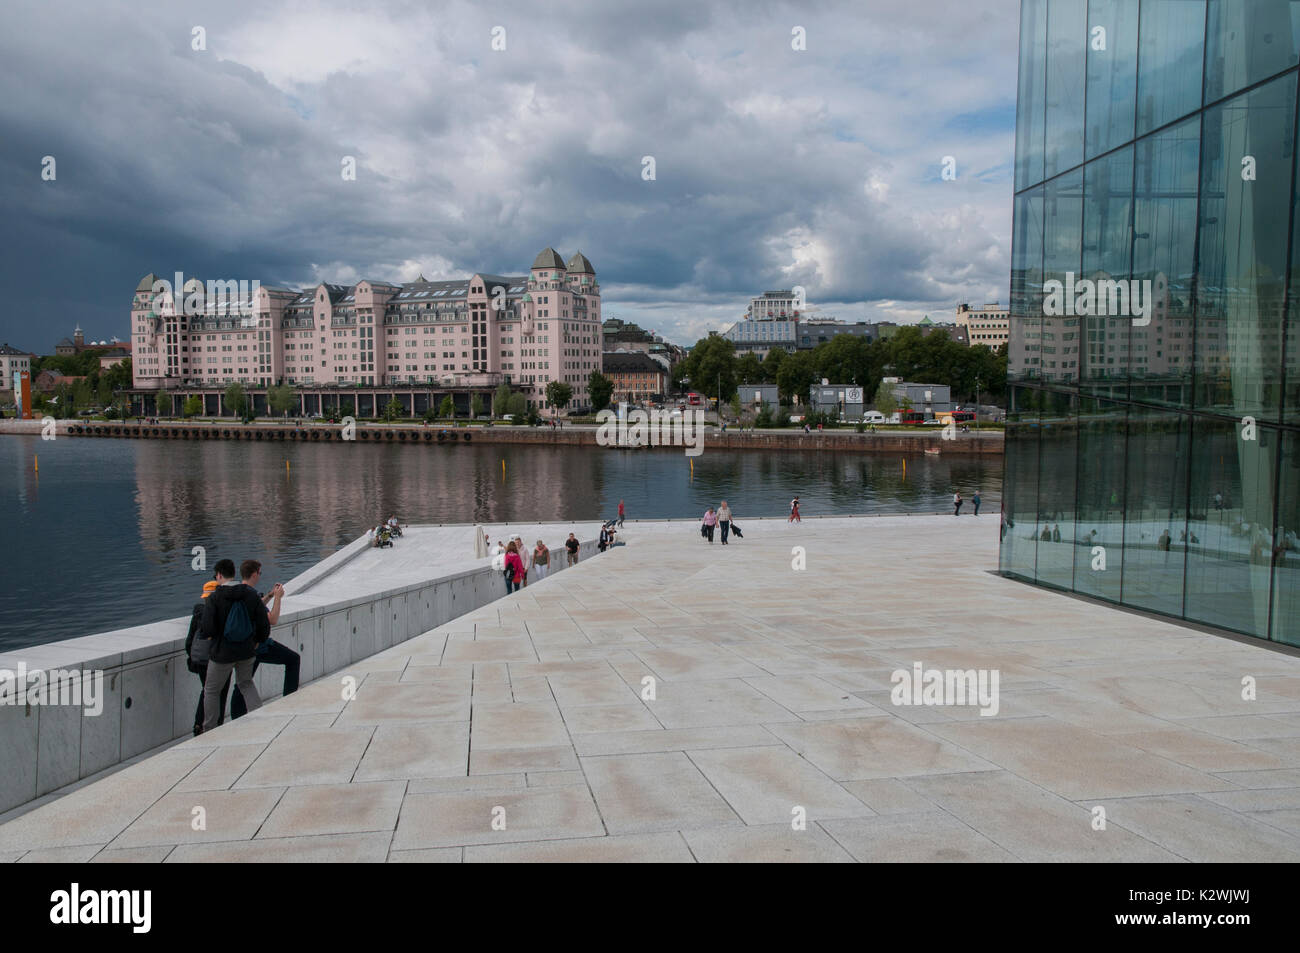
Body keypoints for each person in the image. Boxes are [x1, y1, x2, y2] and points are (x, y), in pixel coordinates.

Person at [200, 558, 271, 731]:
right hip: (246, 650)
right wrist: (257, 642)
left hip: (222, 653)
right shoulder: (251, 594)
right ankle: (259, 719)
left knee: (211, 690)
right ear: (234, 574)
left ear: (219, 575)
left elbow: (207, 628)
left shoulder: (215, 597)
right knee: (246, 683)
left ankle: (209, 728)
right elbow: (263, 624)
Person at [230, 562, 296, 719]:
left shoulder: (240, 592)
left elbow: (257, 606)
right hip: (260, 646)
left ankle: (236, 716)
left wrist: (270, 595)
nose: (260, 576)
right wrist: (278, 598)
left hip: (244, 645)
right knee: (293, 660)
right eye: (260, 573)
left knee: (243, 682)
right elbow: (272, 619)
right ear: (254, 575)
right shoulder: (251, 595)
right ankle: (290, 702)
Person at [185, 563, 233, 735]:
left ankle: (199, 724)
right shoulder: (218, 612)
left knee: (206, 691)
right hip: (215, 658)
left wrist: (191, 658)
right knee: (218, 691)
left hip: (198, 660)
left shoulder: (198, 613)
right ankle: (214, 724)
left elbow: (189, 640)